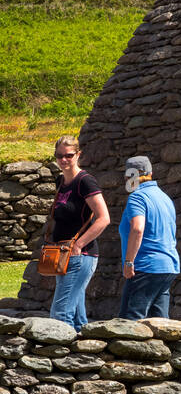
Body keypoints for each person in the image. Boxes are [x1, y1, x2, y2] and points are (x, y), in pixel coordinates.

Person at [48, 135, 110, 332]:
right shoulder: (61, 182)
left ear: (78, 154)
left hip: (79, 256)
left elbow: (103, 218)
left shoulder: (85, 182)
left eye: (69, 155)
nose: (63, 160)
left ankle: (59, 359)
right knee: (75, 315)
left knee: (60, 314)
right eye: (59, 156)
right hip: (62, 254)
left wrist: (78, 245)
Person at [117, 155, 181, 320]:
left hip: (146, 266)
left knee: (128, 322)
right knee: (159, 323)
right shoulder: (165, 198)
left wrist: (129, 262)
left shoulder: (138, 197)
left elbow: (137, 228)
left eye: (126, 176)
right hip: (168, 267)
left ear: (131, 175)